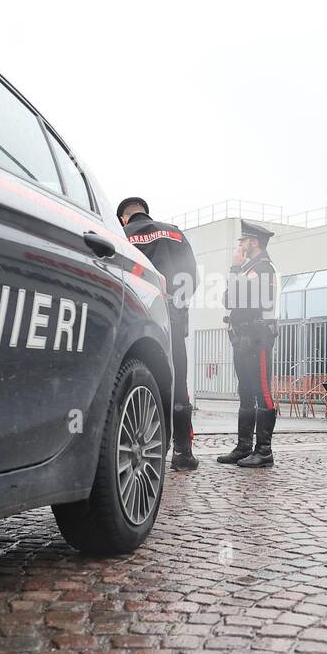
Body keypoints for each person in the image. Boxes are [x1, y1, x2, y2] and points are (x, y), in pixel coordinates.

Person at [116, 196, 200, 470]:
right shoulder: (174, 232)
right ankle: (183, 453)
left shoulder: (122, 235)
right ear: (146, 213)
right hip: (173, 320)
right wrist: (177, 304)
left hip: (138, 319)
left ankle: (142, 450)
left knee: (136, 381)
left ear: (124, 218)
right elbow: (192, 277)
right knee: (178, 383)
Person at [218, 220, 280, 468]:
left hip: (258, 338)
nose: (240, 245)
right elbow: (228, 299)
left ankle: (264, 451)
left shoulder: (264, 268)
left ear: (253, 242)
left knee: (263, 393)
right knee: (245, 392)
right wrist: (236, 271)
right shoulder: (247, 268)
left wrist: (234, 269)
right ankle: (244, 447)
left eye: (243, 240)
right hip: (243, 338)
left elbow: (243, 299)